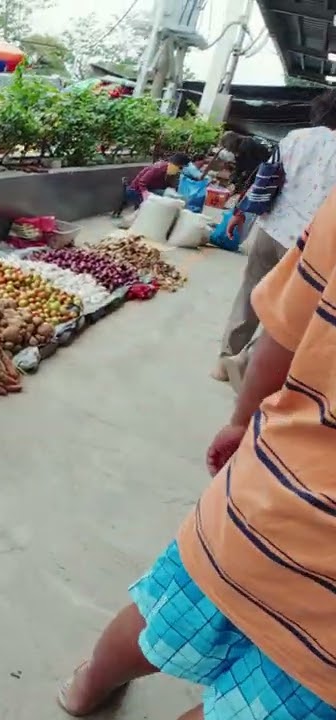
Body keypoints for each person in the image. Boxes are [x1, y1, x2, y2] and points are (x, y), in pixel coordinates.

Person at [58, 181, 336, 719]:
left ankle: (86, 689)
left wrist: (239, 421)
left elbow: (280, 334)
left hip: (265, 501)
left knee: (167, 612)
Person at [212, 89, 336, 385]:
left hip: (270, 229)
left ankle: (224, 358)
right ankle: (244, 363)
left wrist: (241, 212)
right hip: (309, 245)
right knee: (290, 313)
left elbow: (265, 179)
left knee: (250, 292)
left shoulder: (297, 137)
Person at [113, 153, 190, 215]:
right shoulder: (159, 168)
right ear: (176, 164)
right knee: (152, 207)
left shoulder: (170, 171)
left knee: (170, 197)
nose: (180, 170)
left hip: (151, 190)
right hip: (136, 191)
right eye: (180, 167)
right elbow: (142, 181)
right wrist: (145, 193)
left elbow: (168, 185)